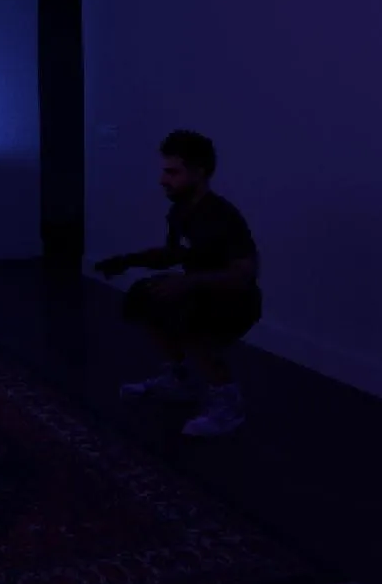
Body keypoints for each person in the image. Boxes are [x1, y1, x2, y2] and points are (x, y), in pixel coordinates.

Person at [94, 130, 261, 436]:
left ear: (200, 172)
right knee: (145, 298)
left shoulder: (223, 216)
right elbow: (173, 253)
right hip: (200, 289)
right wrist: (127, 260)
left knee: (192, 317)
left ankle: (229, 405)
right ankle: (178, 381)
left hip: (237, 298)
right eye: (164, 171)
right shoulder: (180, 210)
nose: (163, 180)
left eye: (173, 172)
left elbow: (244, 274)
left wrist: (189, 283)